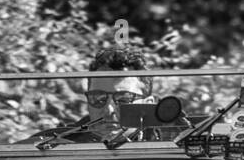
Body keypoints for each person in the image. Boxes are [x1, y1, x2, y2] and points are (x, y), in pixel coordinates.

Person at [24, 45, 156, 143]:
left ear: (148, 105)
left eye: (123, 99)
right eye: (98, 98)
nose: (108, 110)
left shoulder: (171, 144)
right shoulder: (55, 144)